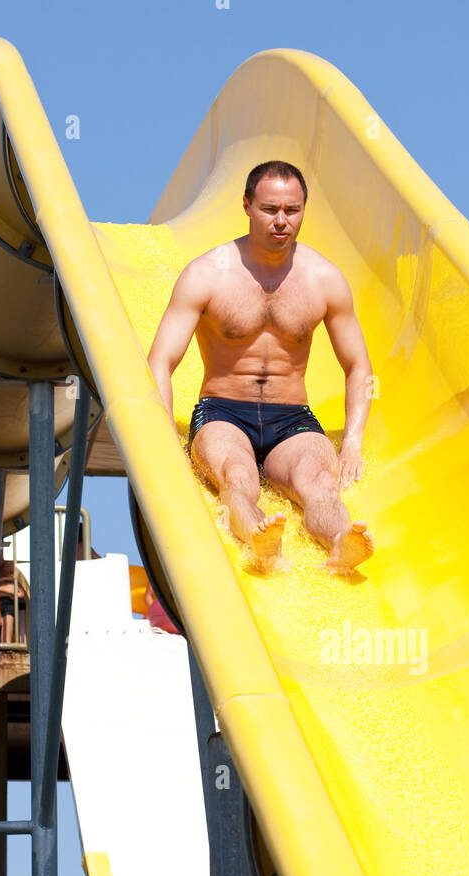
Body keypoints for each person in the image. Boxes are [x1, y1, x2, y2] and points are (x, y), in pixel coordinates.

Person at [147, 160, 374, 576]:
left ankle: (342, 542)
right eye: (270, 210)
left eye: (293, 210)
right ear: (247, 206)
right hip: (222, 412)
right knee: (238, 476)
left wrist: (353, 442)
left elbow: (359, 365)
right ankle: (259, 538)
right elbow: (161, 361)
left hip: (292, 419)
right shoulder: (208, 273)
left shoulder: (323, 279)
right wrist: (164, 436)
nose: (282, 221)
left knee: (320, 484)